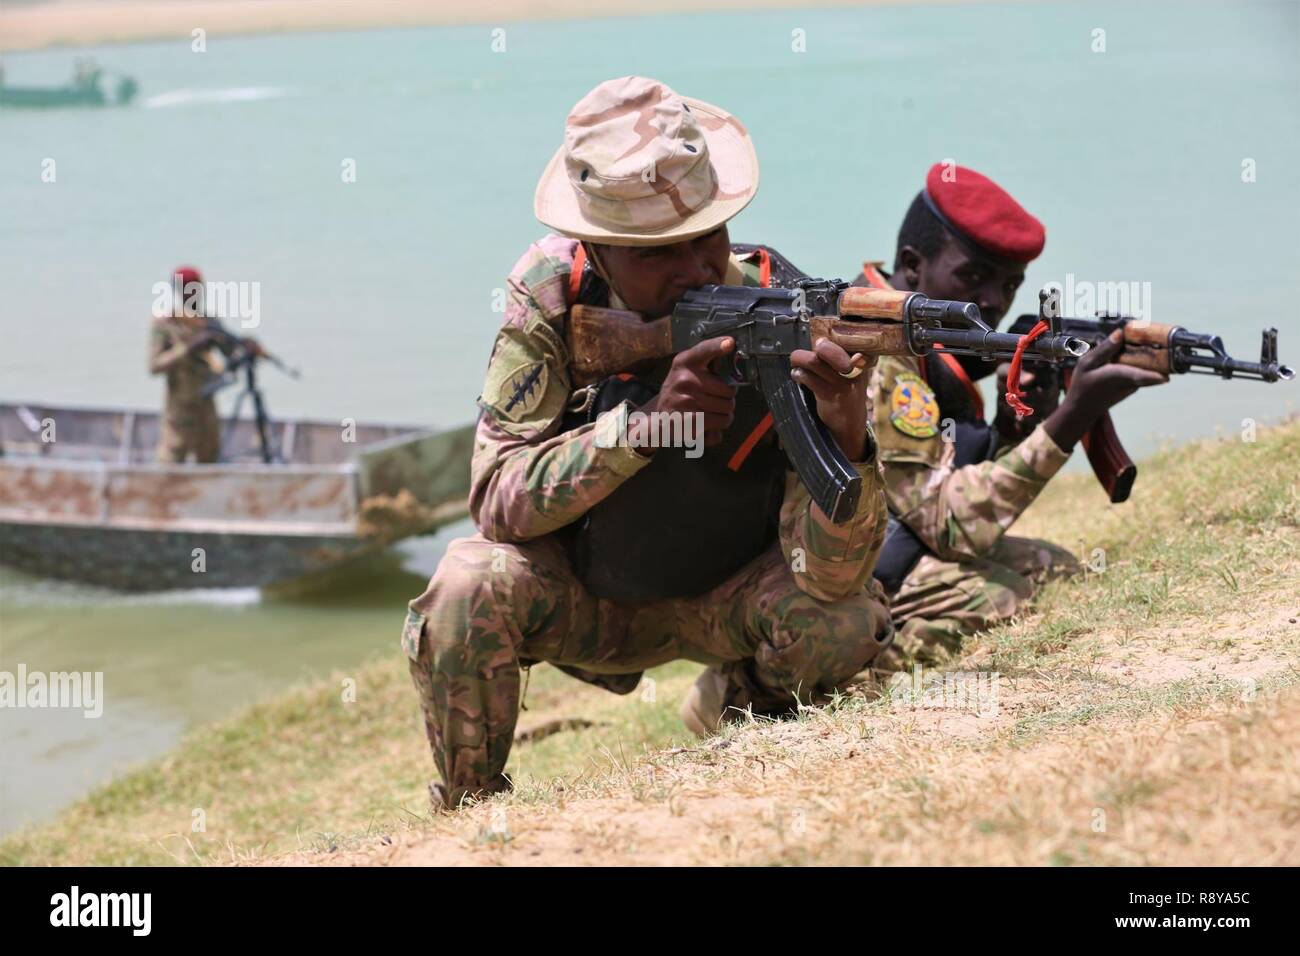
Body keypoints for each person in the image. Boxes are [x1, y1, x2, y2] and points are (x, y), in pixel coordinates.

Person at [401, 76, 894, 810]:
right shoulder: (552, 296)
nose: (693, 269)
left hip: (731, 602)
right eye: (656, 254)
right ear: (596, 250)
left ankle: (742, 707)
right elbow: (496, 504)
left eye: (707, 238)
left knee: (848, 622)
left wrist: (846, 435)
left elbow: (829, 581)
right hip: (585, 598)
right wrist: (646, 427)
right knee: (464, 585)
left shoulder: (785, 308)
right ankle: (473, 812)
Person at [853, 163, 1168, 666]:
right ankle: (819, 683)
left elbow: (943, 473)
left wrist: (1013, 426)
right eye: (973, 277)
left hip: (889, 543)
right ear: (913, 265)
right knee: (1004, 599)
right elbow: (949, 526)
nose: (993, 302)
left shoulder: (920, 334)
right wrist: (1071, 418)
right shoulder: (877, 351)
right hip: (838, 573)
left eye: (1009, 284)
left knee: (1058, 571)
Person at [148, 265, 232, 463]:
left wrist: (244, 346)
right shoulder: (167, 323)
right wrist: (188, 348)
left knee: (210, 461)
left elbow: (230, 352)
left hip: (206, 404)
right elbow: (154, 365)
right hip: (180, 408)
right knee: (171, 463)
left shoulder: (209, 321)